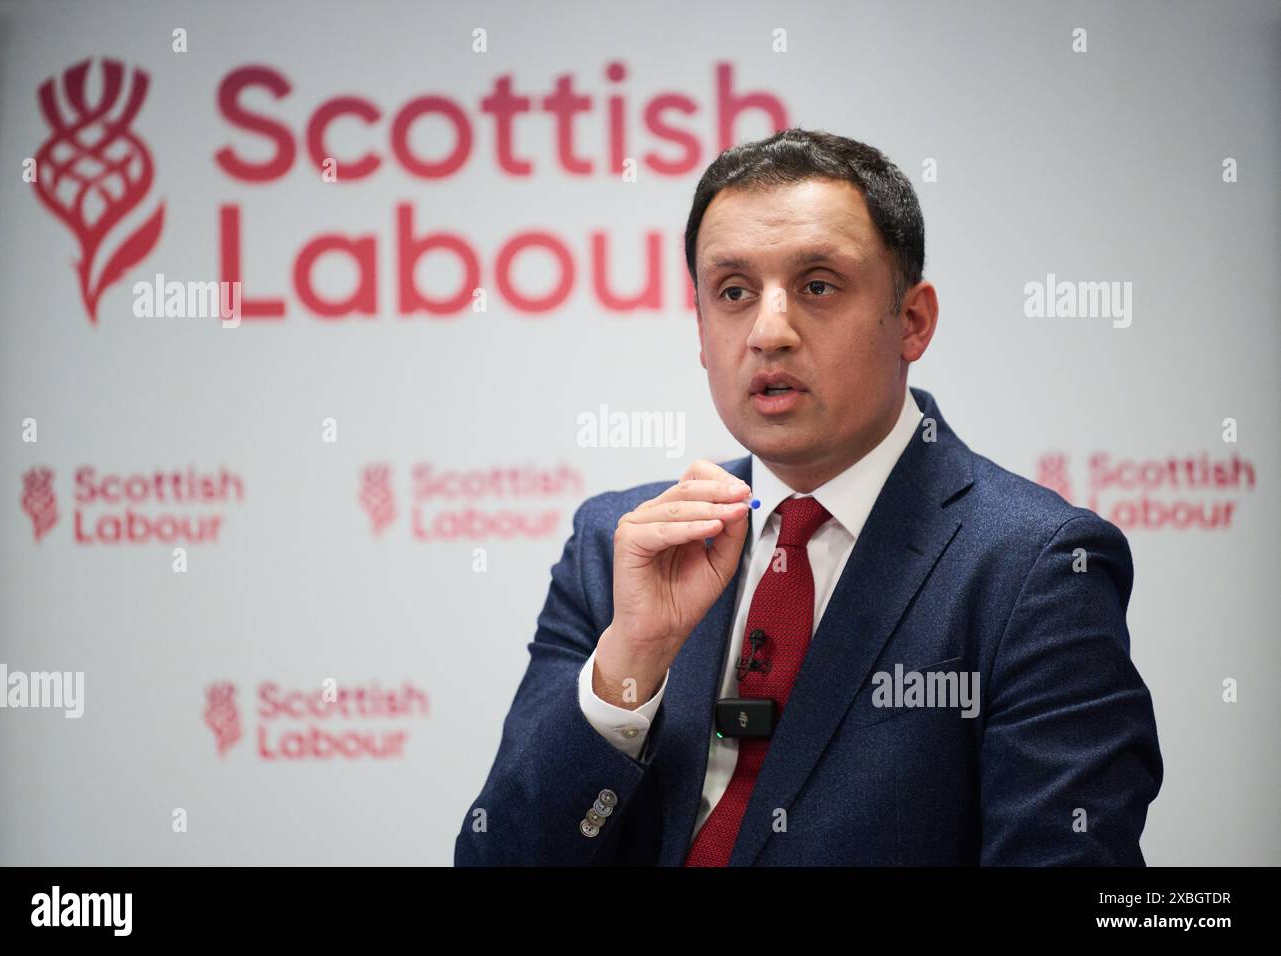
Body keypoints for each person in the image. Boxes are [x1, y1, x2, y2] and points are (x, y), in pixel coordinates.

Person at [454, 128, 1163, 866]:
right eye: (732, 293)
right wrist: (629, 668)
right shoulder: (617, 547)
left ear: (913, 321)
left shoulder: (1035, 568)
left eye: (818, 285)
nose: (769, 331)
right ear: (700, 330)